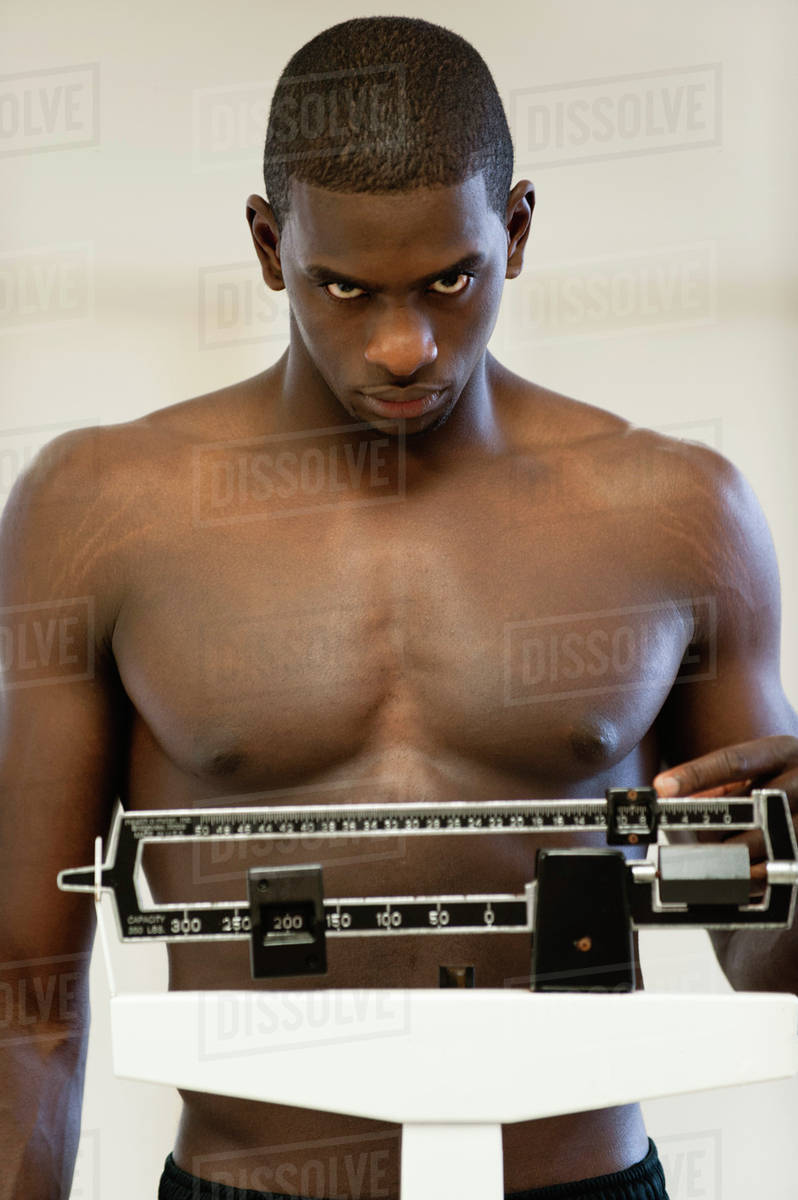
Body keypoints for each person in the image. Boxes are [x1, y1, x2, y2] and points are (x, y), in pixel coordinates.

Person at [1, 14, 797, 1200]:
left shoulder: (678, 510)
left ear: (515, 232)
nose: (404, 345)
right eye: (344, 287)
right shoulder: (98, 510)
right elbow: (24, 995)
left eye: (450, 278)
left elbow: (762, 957)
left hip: (577, 1184)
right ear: (270, 248)